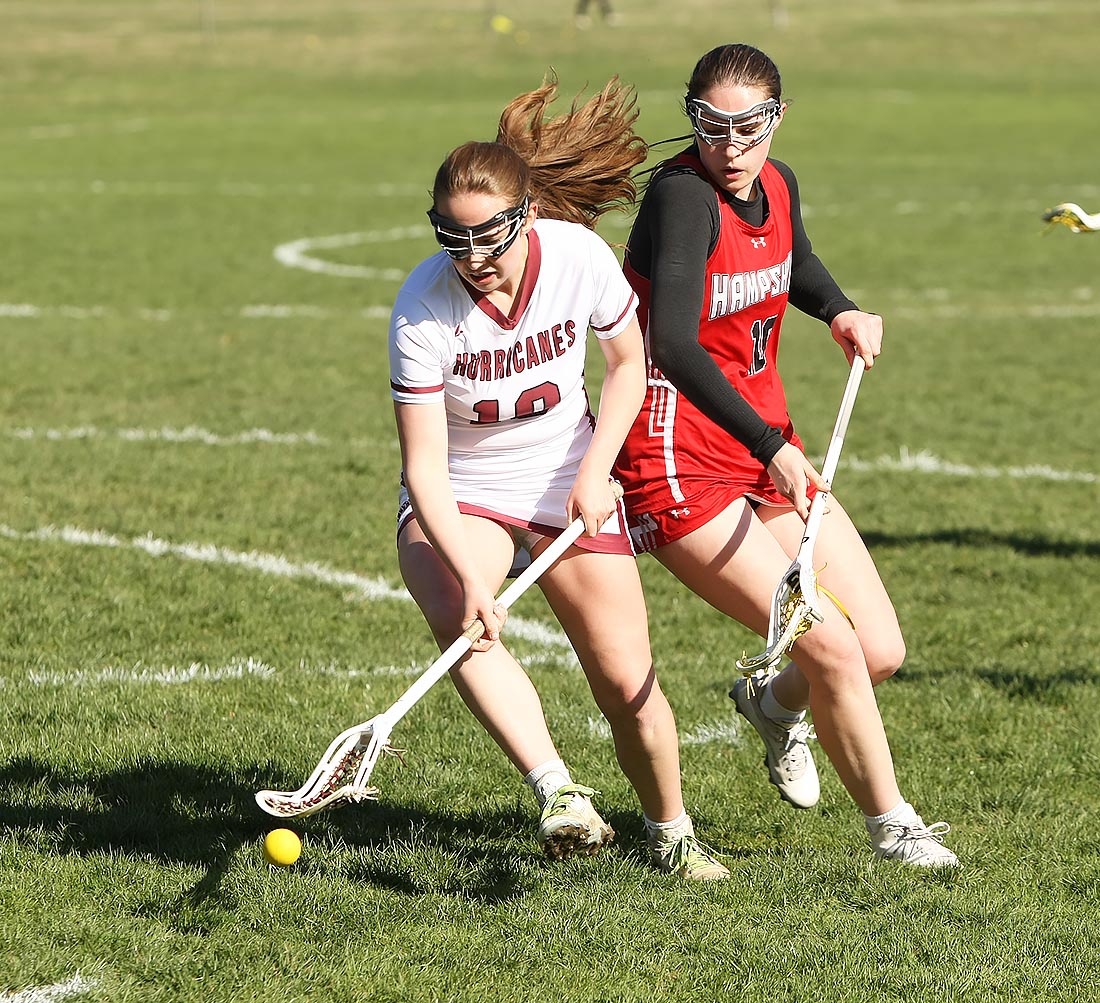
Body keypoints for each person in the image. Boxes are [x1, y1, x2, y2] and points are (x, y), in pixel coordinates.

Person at [612, 43, 959, 867]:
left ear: (778, 118)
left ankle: (771, 705)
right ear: (693, 119)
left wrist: (840, 309)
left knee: (879, 651)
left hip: (761, 442)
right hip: (679, 455)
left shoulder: (779, 182)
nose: (730, 145)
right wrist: (770, 447)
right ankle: (894, 827)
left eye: (749, 126)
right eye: (711, 125)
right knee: (829, 645)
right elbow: (673, 342)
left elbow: (792, 261)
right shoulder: (684, 197)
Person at [388, 74, 728, 880]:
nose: (473, 258)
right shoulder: (421, 308)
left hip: (566, 480)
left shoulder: (577, 258)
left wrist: (597, 470)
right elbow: (424, 467)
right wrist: (474, 578)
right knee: (454, 604)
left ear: (529, 215)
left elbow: (627, 365)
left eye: (490, 236)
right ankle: (559, 790)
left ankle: (671, 831)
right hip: (464, 492)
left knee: (625, 681)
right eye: (453, 238)